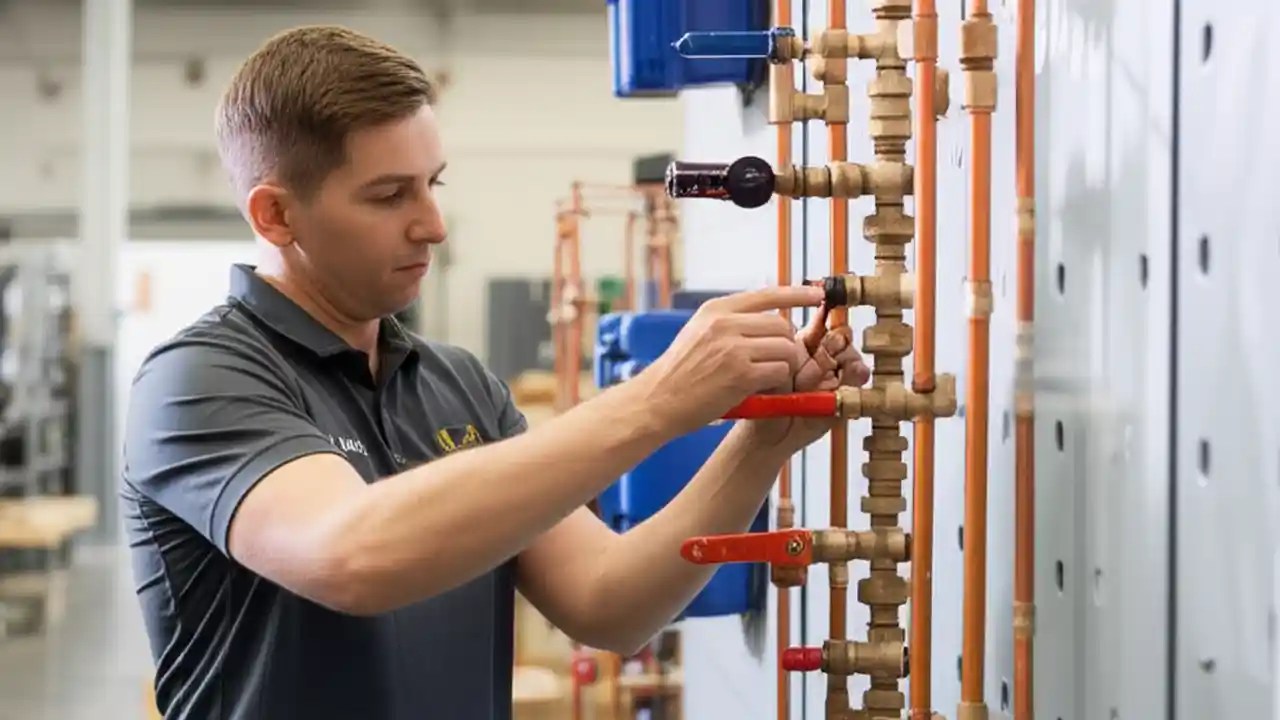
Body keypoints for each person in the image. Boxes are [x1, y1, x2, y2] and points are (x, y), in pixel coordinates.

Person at [120, 24, 870, 720]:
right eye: (389, 196)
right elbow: (353, 554)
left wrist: (761, 444)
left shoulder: (458, 383)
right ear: (276, 217)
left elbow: (609, 603)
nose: (433, 224)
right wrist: (658, 399)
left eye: (431, 184)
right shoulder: (199, 379)